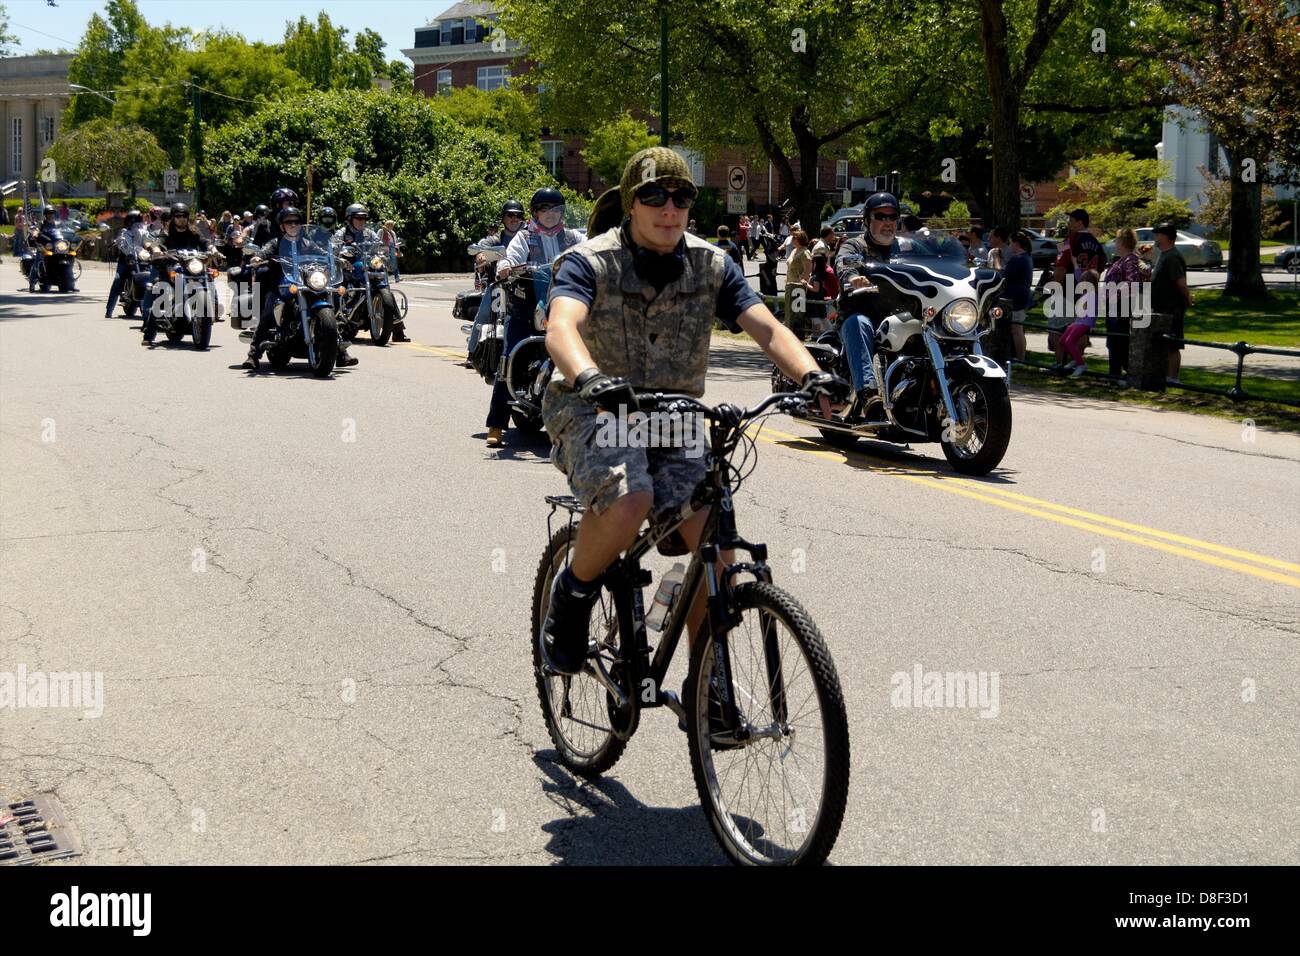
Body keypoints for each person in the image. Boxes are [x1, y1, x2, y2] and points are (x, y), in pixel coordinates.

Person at [536, 146, 848, 675]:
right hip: (595, 409)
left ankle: (713, 686)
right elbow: (561, 326)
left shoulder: (713, 265)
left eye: (681, 197)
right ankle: (572, 594)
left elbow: (767, 328)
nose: (669, 208)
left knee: (711, 539)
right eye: (654, 196)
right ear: (631, 204)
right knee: (631, 499)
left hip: (673, 414)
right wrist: (589, 377)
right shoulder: (590, 261)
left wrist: (813, 375)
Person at [484, 187, 583, 447]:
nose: (550, 215)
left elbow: (590, 254)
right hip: (527, 306)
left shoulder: (572, 236)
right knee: (510, 357)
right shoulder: (524, 237)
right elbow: (511, 257)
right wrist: (505, 266)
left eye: (556, 210)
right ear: (535, 212)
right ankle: (496, 424)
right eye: (544, 209)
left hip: (563, 307)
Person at [240, 206, 357, 369]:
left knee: (333, 300)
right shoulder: (276, 242)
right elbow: (265, 251)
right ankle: (253, 355)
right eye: (289, 222)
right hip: (283, 283)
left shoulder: (307, 242)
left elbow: (323, 253)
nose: (293, 224)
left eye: (296, 221)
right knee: (268, 311)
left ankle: (339, 351)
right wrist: (258, 257)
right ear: (282, 225)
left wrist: (339, 260)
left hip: (306, 282)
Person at [833, 191, 903, 408]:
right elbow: (843, 263)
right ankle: (868, 394)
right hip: (863, 313)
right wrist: (853, 278)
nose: (888, 223)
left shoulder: (904, 249)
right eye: (880, 217)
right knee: (858, 324)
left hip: (899, 316)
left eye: (892, 217)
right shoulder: (854, 245)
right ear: (867, 220)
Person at [139, 202, 215, 345]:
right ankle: (149, 335)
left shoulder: (193, 231)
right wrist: (156, 251)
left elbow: (205, 242)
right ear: (173, 218)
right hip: (171, 266)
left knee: (209, 276)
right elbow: (158, 243)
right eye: (178, 216)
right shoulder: (167, 233)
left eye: (184, 216)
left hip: (191, 265)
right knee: (162, 293)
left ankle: (212, 308)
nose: (182, 219)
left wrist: (214, 250)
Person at [334, 203, 409, 344]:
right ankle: (341, 321)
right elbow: (334, 249)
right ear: (350, 219)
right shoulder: (342, 233)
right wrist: (341, 258)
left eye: (364, 218)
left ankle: (398, 330)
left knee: (386, 292)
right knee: (341, 291)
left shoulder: (370, 233)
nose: (362, 221)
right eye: (358, 218)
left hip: (369, 265)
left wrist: (386, 250)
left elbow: (379, 245)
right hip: (350, 268)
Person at [466, 199, 527, 360]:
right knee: (485, 312)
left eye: (518, 215)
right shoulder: (496, 239)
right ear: (503, 218)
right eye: (510, 215)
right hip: (500, 285)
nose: (514, 219)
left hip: (525, 285)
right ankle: (472, 352)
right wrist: (481, 257)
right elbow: (482, 251)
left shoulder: (529, 236)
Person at [1101, 228, 1148, 378]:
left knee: (1118, 342)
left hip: (1121, 307)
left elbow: (1131, 283)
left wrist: (1113, 296)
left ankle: (1121, 375)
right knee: (1113, 342)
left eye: (1117, 240)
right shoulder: (1123, 260)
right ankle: (1115, 375)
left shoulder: (1130, 260)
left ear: (1122, 242)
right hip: (1114, 307)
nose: (1115, 243)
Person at [1151, 222, 1191, 381]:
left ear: (1165, 236)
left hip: (1172, 308)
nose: (1155, 238)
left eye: (1158, 234)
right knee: (1163, 344)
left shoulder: (1173, 257)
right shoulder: (1164, 254)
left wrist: (1188, 298)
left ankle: (1173, 378)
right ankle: (1164, 374)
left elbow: (1180, 283)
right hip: (1161, 307)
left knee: (1172, 344)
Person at [105, 210, 148, 318]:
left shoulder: (144, 232)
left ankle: (149, 313)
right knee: (117, 280)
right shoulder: (124, 232)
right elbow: (121, 242)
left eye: (137, 221)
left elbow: (149, 242)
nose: (135, 224)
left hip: (142, 260)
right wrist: (120, 244)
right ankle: (109, 311)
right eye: (132, 221)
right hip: (126, 261)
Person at [1057, 269, 1100, 377]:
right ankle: (1076, 359)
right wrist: (1075, 264)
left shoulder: (1092, 295)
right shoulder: (1085, 293)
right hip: (1078, 321)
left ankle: (1081, 364)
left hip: (1085, 322)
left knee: (1069, 342)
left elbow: (1093, 313)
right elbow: (1078, 276)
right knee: (1062, 341)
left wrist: (1091, 325)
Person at [1004, 231, 1034, 361]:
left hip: (1017, 297)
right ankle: (1020, 357)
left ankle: (1021, 358)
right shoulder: (1025, 257)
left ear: (1016, 244)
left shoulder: (1019, 259)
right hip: (1020, 296)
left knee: (1017, 329)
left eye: (1011, 243)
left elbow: (1004, 273)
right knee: (1016, 329)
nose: (1010, 246)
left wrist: (997, 260)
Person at [783, 229, 814, 338]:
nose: (792, 239)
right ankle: (789, 333)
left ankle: (798, 335)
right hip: (790, 283)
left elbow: (808, 270)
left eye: (794, 237)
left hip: (798, 286)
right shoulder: (794, 251)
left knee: (797, 312)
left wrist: (801, 280)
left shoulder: (805, 252)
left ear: (800, 238)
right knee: (789, 311)